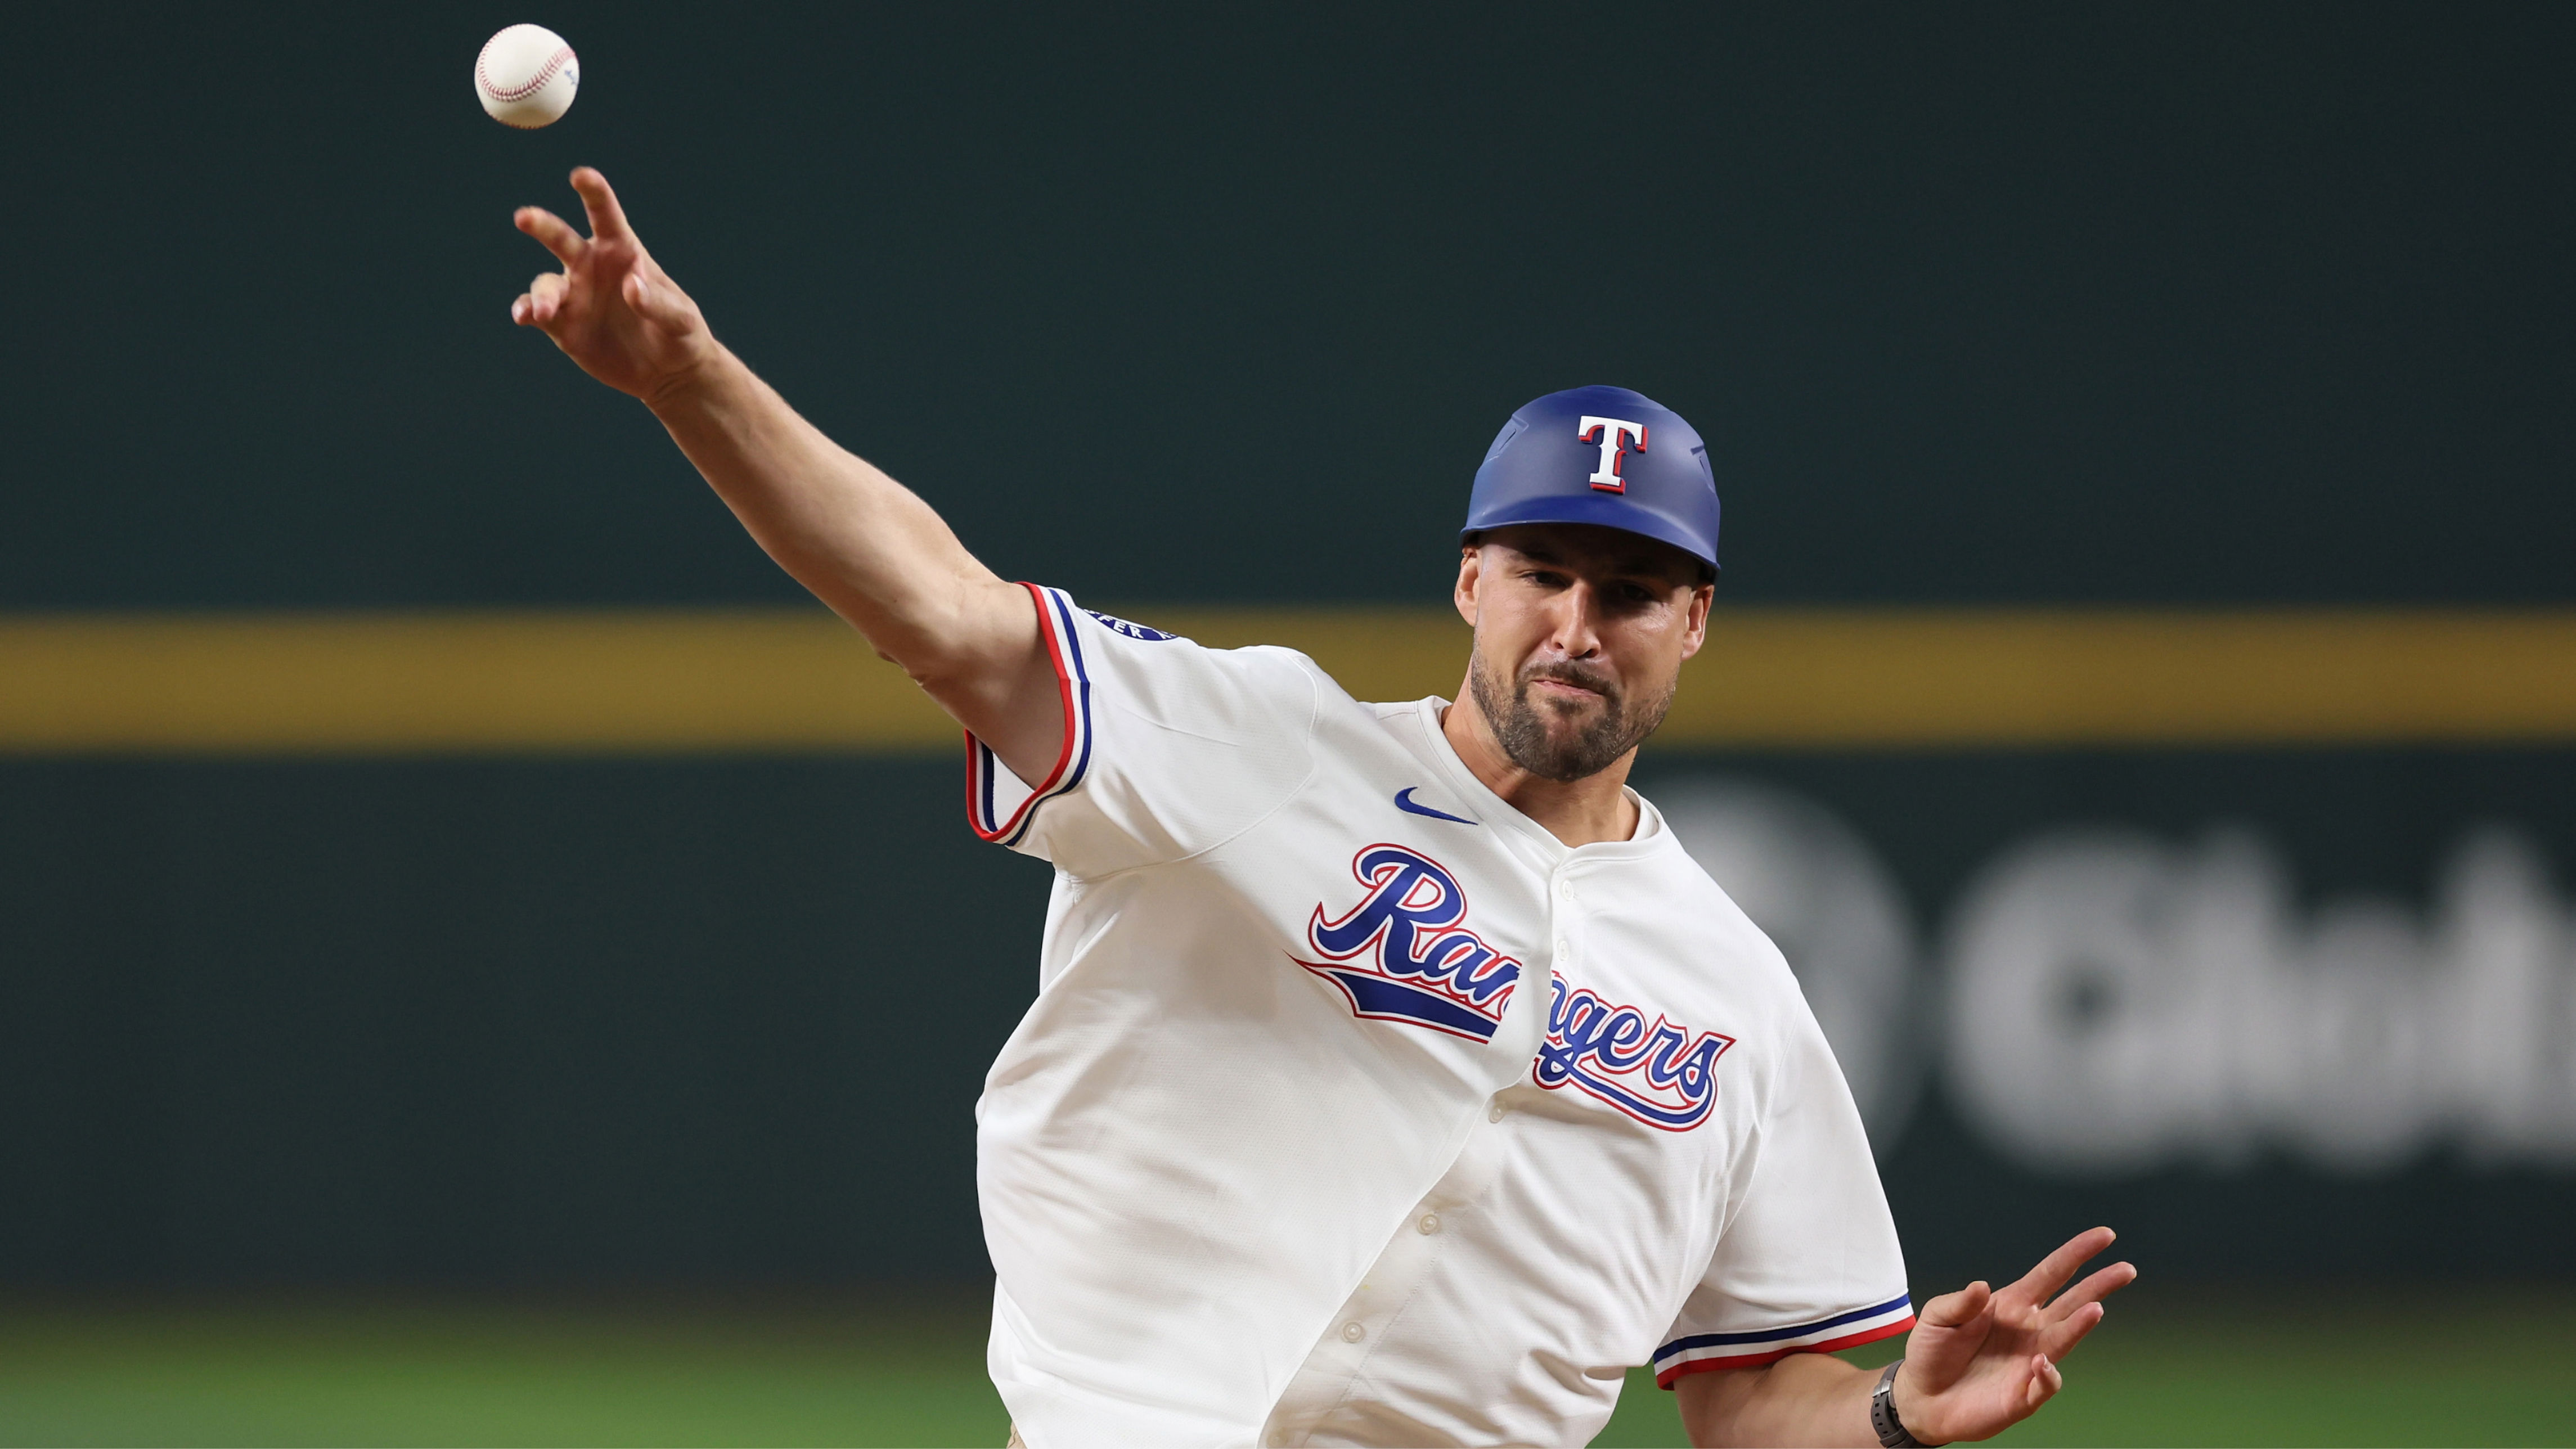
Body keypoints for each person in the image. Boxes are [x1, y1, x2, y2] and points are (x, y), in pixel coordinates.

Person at [506, 167, 2135, 1449]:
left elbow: (1753, 1401)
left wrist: (1891, 1417)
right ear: (1469, 580)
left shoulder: (1740, 1000)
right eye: (1545, 570)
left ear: (1694, 623)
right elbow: (943, 613)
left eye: (1633, 588)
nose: (1579, 621)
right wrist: (690, 381)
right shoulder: (1257, 742)